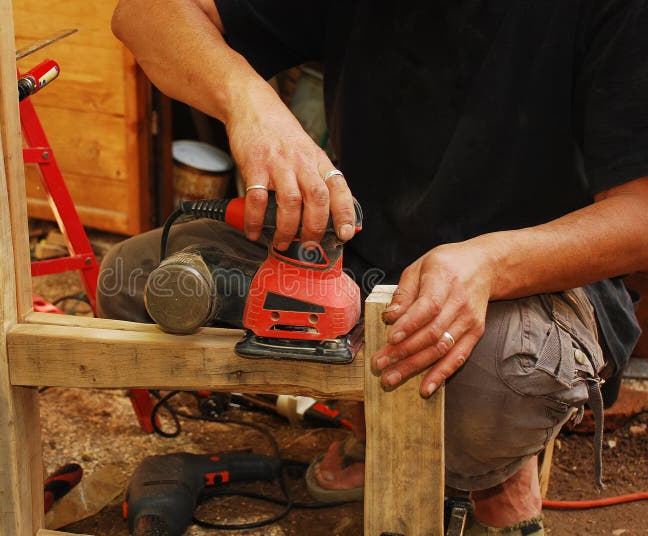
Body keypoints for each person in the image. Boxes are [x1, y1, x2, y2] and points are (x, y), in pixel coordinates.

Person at [100, 2, 648, 534]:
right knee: (138, 278)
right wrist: (251, 104)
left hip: (532, 284)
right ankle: (377, 424)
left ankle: (496, 479)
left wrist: (491, 263)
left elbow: (640, 212)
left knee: (501, 376)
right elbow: (146, 13)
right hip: (362, 258)